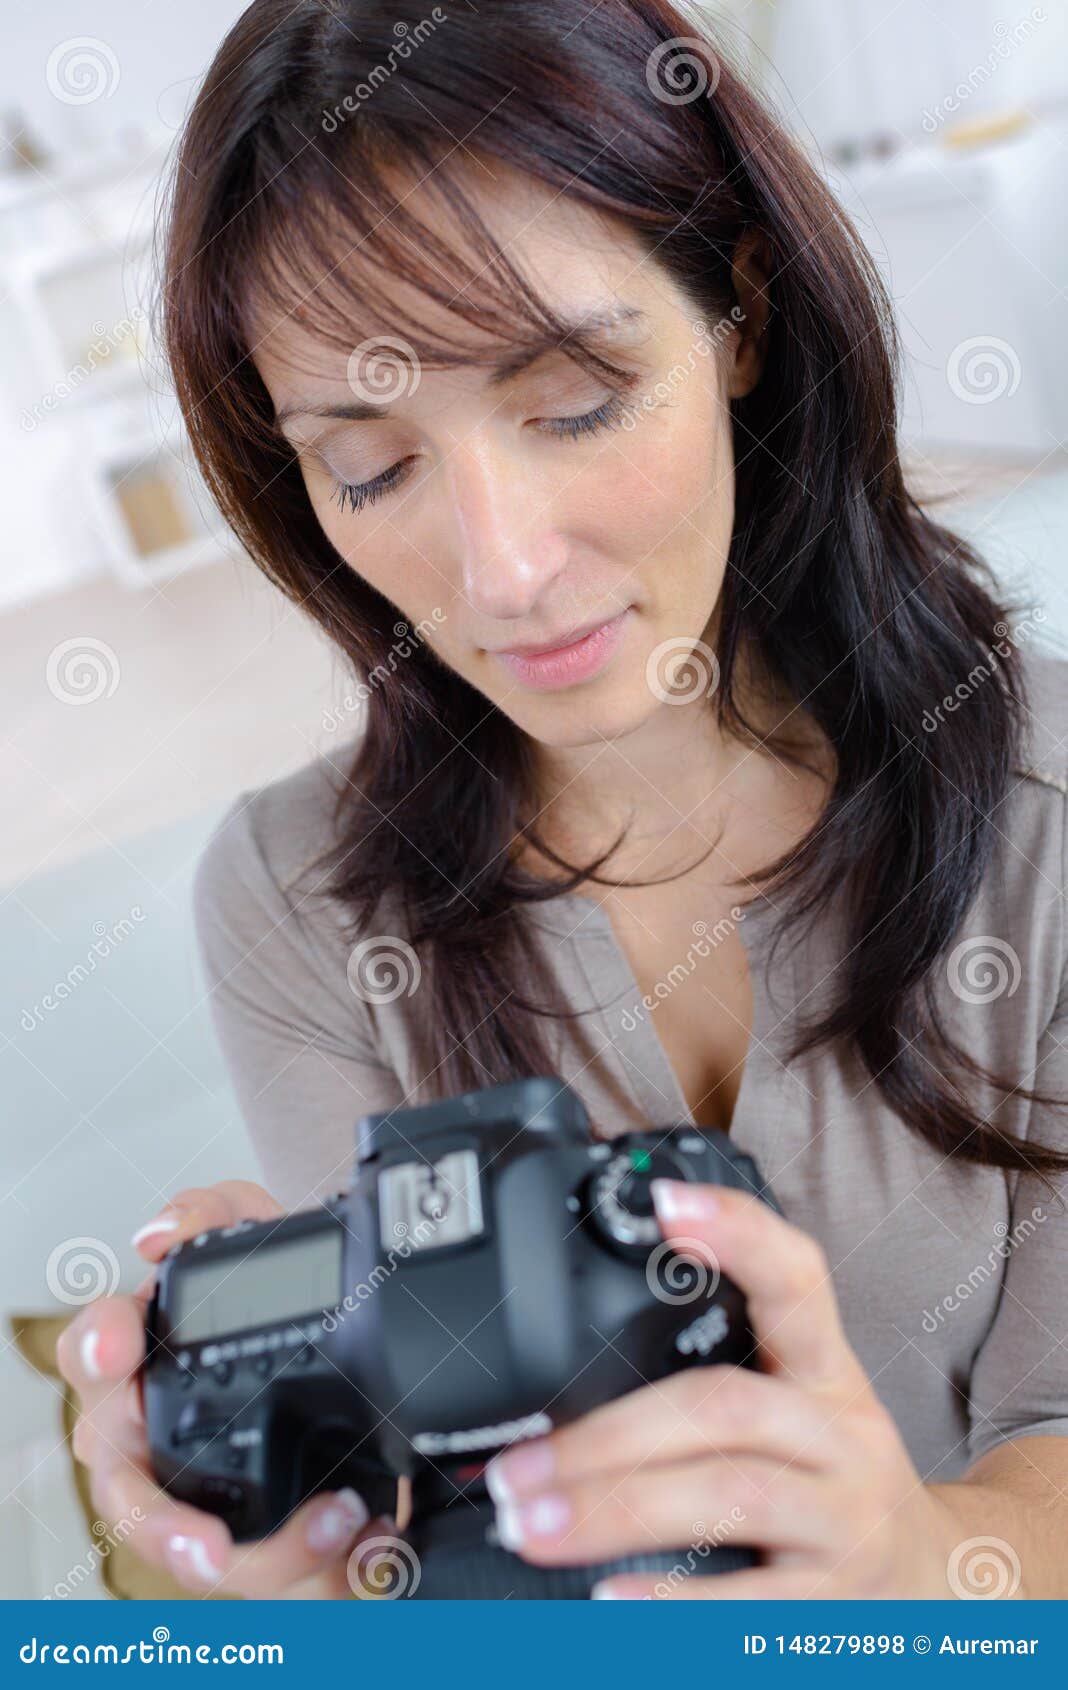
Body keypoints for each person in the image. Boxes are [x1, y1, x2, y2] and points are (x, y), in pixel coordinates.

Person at [58, 0, 1068, 1600]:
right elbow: (427, 1488)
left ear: (736, 312)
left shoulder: (1050, 814)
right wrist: (315, 1584)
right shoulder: (293, 893)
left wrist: (917, 1559)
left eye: (576, 397)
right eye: (372, 466)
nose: (503, 568)